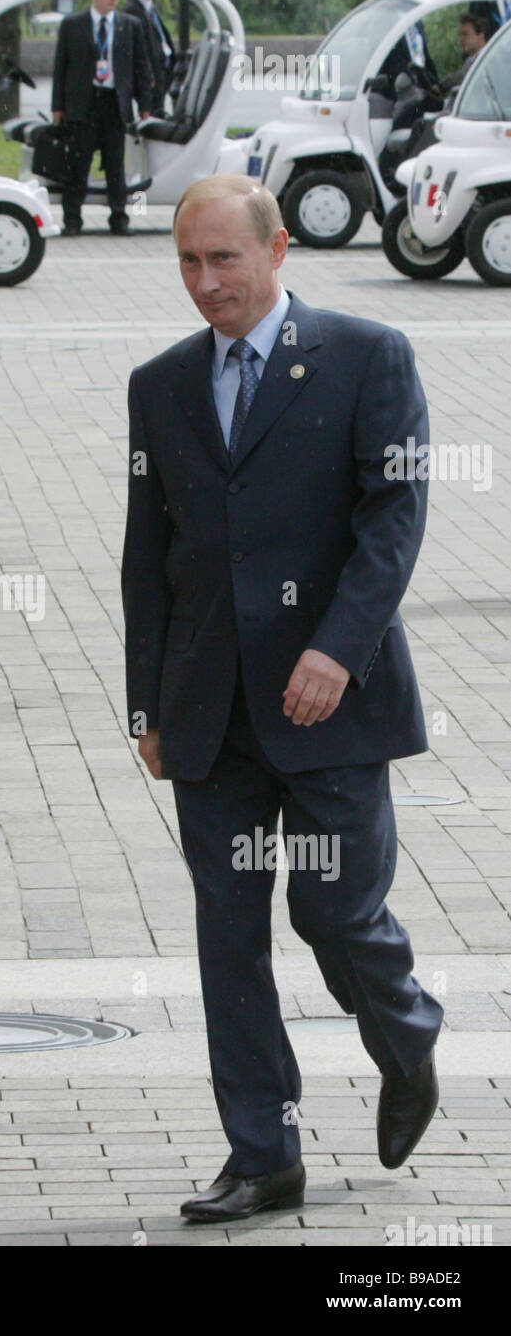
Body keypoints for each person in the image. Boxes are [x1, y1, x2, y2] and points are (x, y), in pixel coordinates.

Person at [122, 173, 443, 1222]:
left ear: (277, 251)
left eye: (225, 259)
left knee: (334, 911)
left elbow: (394, 517)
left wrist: (338, 651)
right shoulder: (159, 384)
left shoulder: (365, 357)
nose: (207, 283)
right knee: (229, 932)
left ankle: (405, 1032)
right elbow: (147, 559)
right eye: (189, 262)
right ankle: (264, 1152)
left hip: (329, 703)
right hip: (209, 710)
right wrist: (147, 706)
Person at [51, 0, 153, 236]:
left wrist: (144, 103)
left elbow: (141, 66)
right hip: (84, 102)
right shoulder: (73, 25)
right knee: (78, 164)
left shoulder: (129, 25)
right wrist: (58, 105)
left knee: (115, 164)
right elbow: (61, 67)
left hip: (113, 102)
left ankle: (119, 217)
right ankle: (72, 219)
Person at [123, 0, 176, 115]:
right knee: (152, 112)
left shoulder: (150, 8)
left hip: (162, 72)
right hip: (150, 75)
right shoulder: (133, 10)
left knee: (158, 111)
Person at [380, 0, 438, 92]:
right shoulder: (387, 22)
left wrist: (435, 82)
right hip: (398, 88)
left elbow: (423, 55)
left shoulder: (417, 23)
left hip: (419, 87)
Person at [441, 14, 488, 94]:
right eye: (460, 35)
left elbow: (468, 75)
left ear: (480, 36)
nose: (461, 39)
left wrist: (442, 86)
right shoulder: (470, 61)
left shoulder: (487, 58)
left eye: (465, 34)